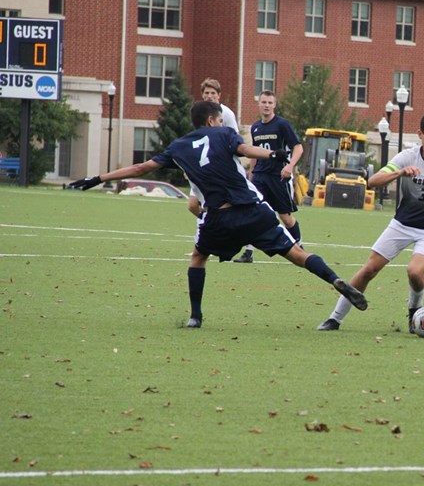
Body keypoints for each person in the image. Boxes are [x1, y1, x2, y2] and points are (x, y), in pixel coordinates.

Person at [68, 101, 367, 328]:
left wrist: (98, 179)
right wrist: (273, 154)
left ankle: (195, 317)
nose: (223, 122)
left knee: (199, 257)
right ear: (212, 120)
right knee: (298, 254)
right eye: (221, 119)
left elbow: (140, 169)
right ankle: (336, 280)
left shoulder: (179, 146)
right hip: (253, 210)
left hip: (218, 217)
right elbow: (246, 149)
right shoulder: (224, 134)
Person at [317, 112, 424, 332]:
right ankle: (335, 318)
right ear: (420, 135)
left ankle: (415, 311)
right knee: (369, 269)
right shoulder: (407, 157)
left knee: (415, 272)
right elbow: (373, 180)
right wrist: (400, 173)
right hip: (402, 224)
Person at [233, 90, 304, 263]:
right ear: (259, 104)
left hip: (278, 176)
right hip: (260, 177)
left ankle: (299, 248)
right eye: (263, 102)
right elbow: (255, 153)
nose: (266, 106)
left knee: (285, 217)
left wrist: (290, 165)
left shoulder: (282, 125)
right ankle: (248, 252)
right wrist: (251, 175)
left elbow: (298, 147)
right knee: (254, 212)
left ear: (274, 105)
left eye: (270, 103)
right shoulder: (255, 127)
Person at [188, 78, 241, 217]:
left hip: (221, 166)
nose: (209, 96)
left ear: (219, 95)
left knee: (221, 203)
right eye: (206, 92)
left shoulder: (226, 113)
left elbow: (235, 138)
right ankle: (207, 221)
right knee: (192, 205)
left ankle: (214, 225)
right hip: (203, 164)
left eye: (213, 93)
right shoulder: (199, 111)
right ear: (202, 94)